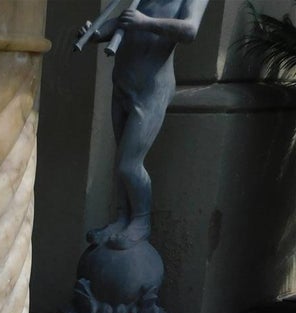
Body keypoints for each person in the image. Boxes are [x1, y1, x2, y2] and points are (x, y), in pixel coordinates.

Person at [81, 0, 209, 249]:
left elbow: (190, 30)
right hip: (123, 86)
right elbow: (123, 22)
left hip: (152, 90)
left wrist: (145, 22)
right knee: (120, 161)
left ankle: (141, 221)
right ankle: (122, 217)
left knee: (130, 164)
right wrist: (97, 32)